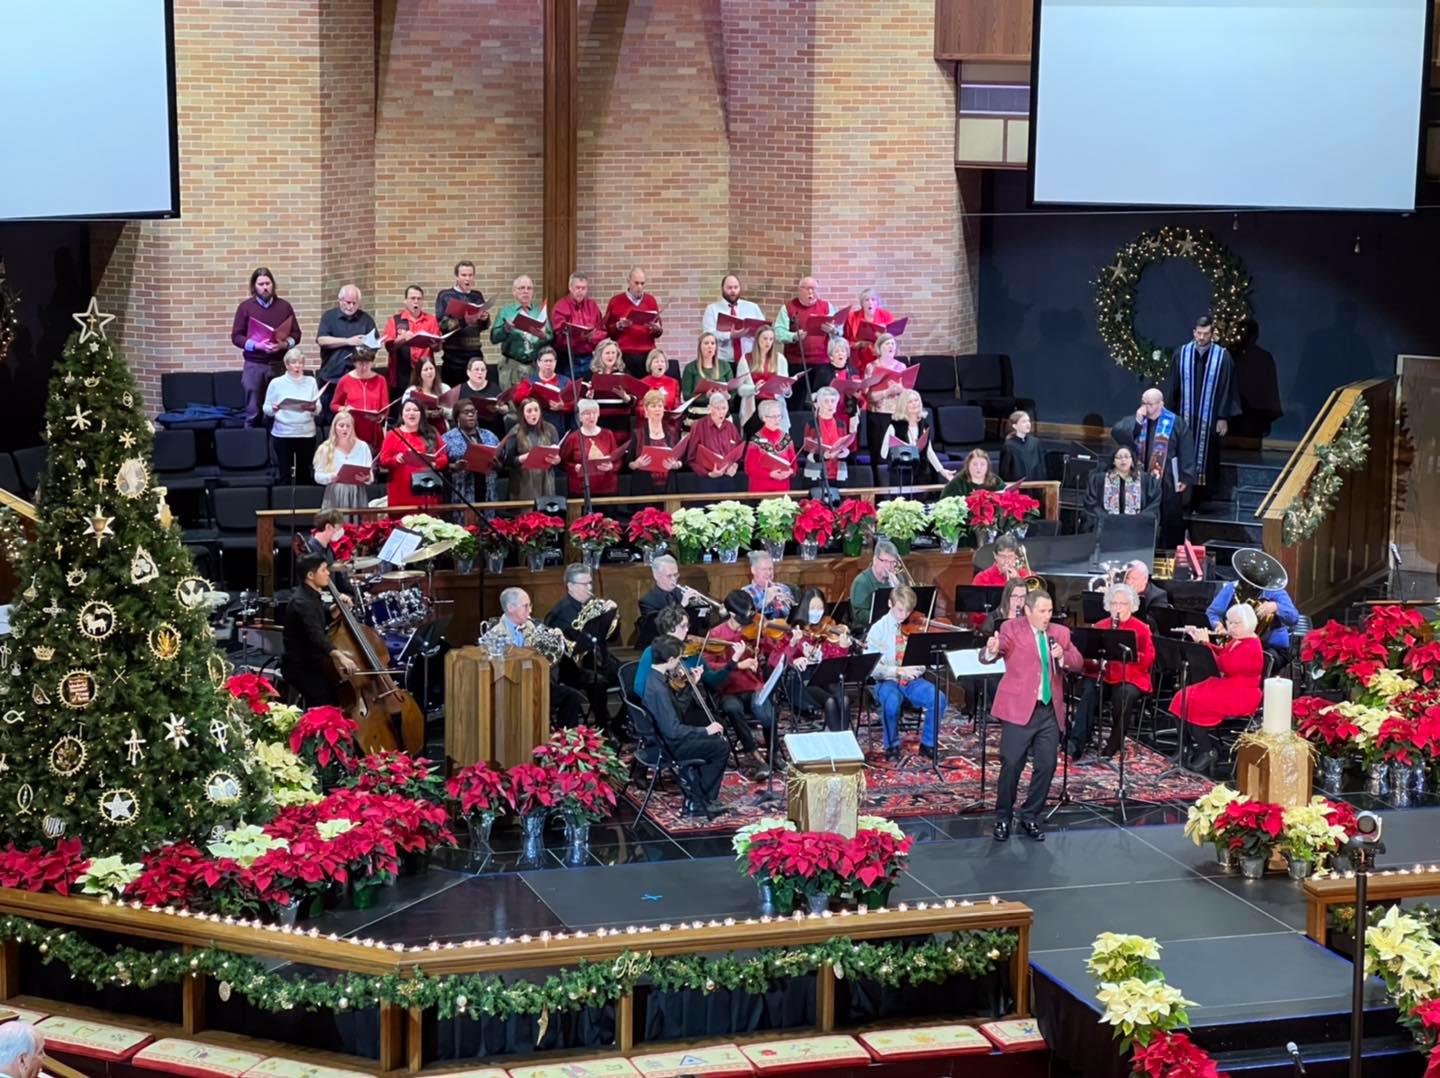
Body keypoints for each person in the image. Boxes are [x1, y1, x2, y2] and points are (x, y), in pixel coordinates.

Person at [981, 590, 1083, 841]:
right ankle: (1003, 817)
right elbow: (995, 651)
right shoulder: (1011, 628)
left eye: (1049, 611)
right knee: (1012, 764)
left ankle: (1030, 816)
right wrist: (991, 650)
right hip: (1019, 710)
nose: (1047, 616)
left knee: (1047, 765)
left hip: (1048, 710)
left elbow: (1078, 661)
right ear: (1028, 611)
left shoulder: (1060, 633)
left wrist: (1063, 656)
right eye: (1041, 611)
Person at [643, 635, 731, 819]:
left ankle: (701, 797)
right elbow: (673, 730)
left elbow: (676, 711)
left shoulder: (655, 678)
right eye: (678, 658)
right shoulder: (658, 689)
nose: (679, 662)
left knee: (712, 738)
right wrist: (705, 731)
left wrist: (692, 686)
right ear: (670, 660)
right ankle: (699, 800)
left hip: (665, 739)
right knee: (720, 746)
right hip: (669, 746)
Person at [1172, 604, 1265, 774]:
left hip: (1241, 693)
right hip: (1228, 686)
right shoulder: (1239, 640)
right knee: (1182, 696)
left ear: (1249, 623)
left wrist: (1205, 643)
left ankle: (1207, 749)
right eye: (1229, 622)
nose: (1232, 627)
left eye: (1237, 623)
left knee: (1194, 702)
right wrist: (1200, 642)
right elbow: (1223, 654)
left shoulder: (1251, 646)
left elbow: (1223, 665)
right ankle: (1184, 747)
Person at [1066, 583, 1154, 760]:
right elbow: (1086, 659)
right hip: (1103, 674)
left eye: (1122, 604)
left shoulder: (1141, 628)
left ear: (1132, 606)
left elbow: (1149, 658)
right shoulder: (1100, 625)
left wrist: (1130, 655)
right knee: (1089, 691)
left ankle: (1113, 745)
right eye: (1114, 603)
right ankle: (1077, 742)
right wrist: (1094, 659)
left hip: (1130, 677)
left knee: (1124, 694)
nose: (1118, 608)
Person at [481, 588, 586, 727]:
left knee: (571, 697)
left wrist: (556, 641)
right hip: (513, 689)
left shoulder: (531, 626)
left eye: (530, 606)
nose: (530, 610)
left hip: (537, 683)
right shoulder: (496, 634)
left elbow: (548, 660)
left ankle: (565, 741)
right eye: (525, 606)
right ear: (511, 608)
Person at [704, 591, 780, 777]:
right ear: (731, 614)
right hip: (728, 689)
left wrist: (767, 643)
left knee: (766, 707)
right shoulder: (716, 634)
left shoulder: (756, 628)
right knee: (732, 709)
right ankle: (755, 756)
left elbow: (772, 651)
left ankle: (773, 753)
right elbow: (709, 666)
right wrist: (737, 664)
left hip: (752, 684)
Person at [1111, 387, 1196, 548]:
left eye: (1150, 404)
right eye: (1144, 403)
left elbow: (1186, 447)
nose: (1146, 407)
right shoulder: (1138, 419)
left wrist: (1185, 475)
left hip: (1167, 478)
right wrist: (1137, 420)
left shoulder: (1175, 422)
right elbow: (1117, 432)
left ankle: (1166, 551)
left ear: (1161, 404)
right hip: (1141, 479)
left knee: (1169, 517)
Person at [864, 585, 943, 759]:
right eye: (899, 610)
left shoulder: (916, 627)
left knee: (938, 698)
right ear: (889, 604)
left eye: (907, 611)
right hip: (887, 680)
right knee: (891, 702)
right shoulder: (878, 629)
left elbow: (924, 661)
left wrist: (920, 667)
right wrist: (898, 670)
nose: (903, 616)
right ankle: (891, 746)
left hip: (912, 681)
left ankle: (928, 744)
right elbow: (872, 668)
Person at [545, 563, 622, 730]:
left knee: (631, 674)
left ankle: (619, 724)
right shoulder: (560, 613)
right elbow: (568, 649)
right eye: (584, 584)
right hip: (573, 668)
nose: (589, 587)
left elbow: (613, 638)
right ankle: (604, 728)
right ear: (571, 586)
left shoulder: (595, 605)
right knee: (598, 682)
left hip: (602, 659)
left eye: (590, 583)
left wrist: (614, 617)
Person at [1165, 315, 1238, 490]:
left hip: (1210, 418)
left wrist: (1222, 417)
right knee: (1183, 449)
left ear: (1212, 333)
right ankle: (1184, 495)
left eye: (1206, 333)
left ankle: (1202, 497)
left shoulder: (1222, 357)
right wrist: (1169, 414)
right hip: (1184, 415)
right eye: (1199, 333)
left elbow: (1227, 388)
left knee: (1207, 455)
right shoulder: (1181, 354)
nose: (1202, 337)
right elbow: (1172, 385)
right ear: (1194, 332)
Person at [772, 586, 854, 731]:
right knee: (829, 701)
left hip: (824, 676)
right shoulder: (793, 631)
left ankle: (843, 740)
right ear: (804, 608)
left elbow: (833, 662)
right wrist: (793, 650)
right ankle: (837, 740)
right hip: (801, 680)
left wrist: (842, 647)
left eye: (820, 608)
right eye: (813, 608)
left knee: (844, 699)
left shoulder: (825, 630)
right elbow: (775, 661)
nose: (817, 612)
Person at [283, 554, 359, 707]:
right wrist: (340, 656)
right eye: (323, 570)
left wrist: (336, 608)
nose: (328, 573)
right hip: (302, 666)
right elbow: (316, 636)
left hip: (316, 662)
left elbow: (320, 617)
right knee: (327, 701)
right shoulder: (301, 602)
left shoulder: (312, 595)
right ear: (311, 575)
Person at [231, 266, 300, 427]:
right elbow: (236, 337)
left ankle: (275, 448)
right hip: (254, 364)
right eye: (261, 284)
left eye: (268, 283)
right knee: (253, 409)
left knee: (277, 409)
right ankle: (252, 446)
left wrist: (284, 344)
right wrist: (257, 346)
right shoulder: (246, 307)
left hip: (278, 365)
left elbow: (297, 334)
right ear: (254, 287)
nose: (265, 287)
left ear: (273, 285)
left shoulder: (284, 306)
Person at [263, 347, 321, 485]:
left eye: (300, 363)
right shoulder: (276, 383)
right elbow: (266, 408)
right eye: (294, 363)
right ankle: (284, 503)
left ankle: (304, 504)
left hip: (306, 433)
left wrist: (313, 408)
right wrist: (274, 408)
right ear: (287, 365)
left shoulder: (311, 381)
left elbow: (318, 407)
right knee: (285, 474)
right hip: (283, 434)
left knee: (304, 474)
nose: (298, 366)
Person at [379, 399, 449, 510]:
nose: (411, 413)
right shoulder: (393, 434)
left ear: (421, 414)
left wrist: (435, 463)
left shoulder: (431, 432)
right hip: (401, 489)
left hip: (427, 487)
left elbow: (444, 457)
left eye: (416, 410)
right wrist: (396, 459)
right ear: (402, 414)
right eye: (407, 410)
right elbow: (383, 461)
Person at [1206, 577, 1300, 657]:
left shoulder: (1275, 591)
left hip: (1270, 647)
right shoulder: (1231, 588)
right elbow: (1213, 612)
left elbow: (1294, 618)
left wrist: (1276, 606)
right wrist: (1218, 625)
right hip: (1235, 643)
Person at [490, 274, 553, 389]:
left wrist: (543, 336)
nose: (526, 291)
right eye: (522, 288)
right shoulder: (506, 311)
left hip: (534, 365)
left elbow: (551, 337)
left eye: (529, 288)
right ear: (514, 291)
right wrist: (506, 329)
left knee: (533, 402)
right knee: (511, 403)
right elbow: (494, 338)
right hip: (511, 365)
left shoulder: (539, 312)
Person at [636, 554, 713, 646]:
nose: (674, 580)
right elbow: (659, 629)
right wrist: (682, 605)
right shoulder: (648, 601)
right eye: (669, 576)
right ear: (656, 576)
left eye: (676, 575)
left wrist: (703, 611)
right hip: (665, 647)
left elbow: (701, 625)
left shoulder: (682, 593)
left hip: (690, 644)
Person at [435, 259, 490, 385]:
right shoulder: (445, 296)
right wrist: (463, 321)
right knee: (454, 397)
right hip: (453, 357)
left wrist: (484, 319)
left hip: (475, 354)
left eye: (470, 275)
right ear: (456, 276)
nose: (467, 279)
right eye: (464, 275)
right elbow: (442, 325)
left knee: (476, 393)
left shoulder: (477, 296)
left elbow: (482, 327)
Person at [882, 389, 954, 485]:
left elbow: (929, 451)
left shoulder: (924, 425)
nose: (914, 404)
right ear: (903, 406)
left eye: (916, 400)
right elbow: (883, 453)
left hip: (921, 473)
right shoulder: (894, 426)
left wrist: (942, 471)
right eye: (910, 402)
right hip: (901, 474)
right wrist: (900, 449)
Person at [1083, 445, 1161, 532]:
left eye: (1126, 457)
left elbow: (1153, 505)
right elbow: (1091, 504)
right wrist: (1106, 519)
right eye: (1119, 457)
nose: (1123, 460)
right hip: (1107, 529)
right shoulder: (1099, 480)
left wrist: (1138, 519)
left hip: (1136, 530)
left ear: (1132, 460)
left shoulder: (1146, 480)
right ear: (1113, 461)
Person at [774, 275, 840, 374]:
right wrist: (793, 336)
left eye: (814, 289)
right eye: (807, 288)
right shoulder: (788, 307)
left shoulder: (827, 307)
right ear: (799, 290)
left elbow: (840, 331)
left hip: (822, 362)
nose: (811, 292)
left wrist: (833, 330)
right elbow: (778, 332)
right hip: (796, 361)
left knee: (822, 389)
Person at [605, 267, 665, 376]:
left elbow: (658, 331)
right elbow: (607, 330)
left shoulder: (651, 301)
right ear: (628, 282)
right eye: (636, 283)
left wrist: (657, 329)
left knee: (646, 389)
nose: (639, 287)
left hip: (647, 354)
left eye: (642, 283)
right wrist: (618, 326)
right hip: (624, 354)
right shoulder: (616, 301)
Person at [329, 347, 390, 453]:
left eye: (367, 363)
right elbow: (333, 405)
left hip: (372, 430)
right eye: (360, 363)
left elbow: (385, 407)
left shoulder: (381, 380)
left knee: (371, 465)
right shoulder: (345, 380)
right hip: (352, 430)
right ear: (354, 363)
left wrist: (381, 415)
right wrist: (344, 408)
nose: (364, 367)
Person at [382, 285, 441, 392]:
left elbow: (437, 348)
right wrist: (402, 339)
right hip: (400, 375)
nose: (416, 301)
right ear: (405, 301)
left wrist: (436, 345)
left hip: (424, 373)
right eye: (412, 298)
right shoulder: (395, 320)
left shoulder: (431, 320)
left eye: (419, 299)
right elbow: (389, 347)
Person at [499, 397, 559, 502]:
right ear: (522, 413)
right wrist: (523, 458)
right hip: (523, 482)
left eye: (536, 410)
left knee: (545, 515)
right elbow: (507, 462)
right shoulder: (515, 431)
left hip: (545, 481)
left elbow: (557, 456)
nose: (533, 414)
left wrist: (556, 460)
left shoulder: (550, 429)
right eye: (529, 411)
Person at [442, 398, 501, 504]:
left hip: (488, 491)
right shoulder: (447, 439)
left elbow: (502, 463)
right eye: (466, 412)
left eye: (473, 412)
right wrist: (455, 467)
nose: (470, 415)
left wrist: (496, 465)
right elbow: (441, 466)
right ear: (457, 417)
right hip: (462, 493)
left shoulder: (489, 436)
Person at [315, 283, 376, 386]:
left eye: (354, 303)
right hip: (332, 375)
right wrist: (347, 341)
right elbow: (322, 340)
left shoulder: (366, 319)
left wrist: (371, 345)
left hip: (358, 376)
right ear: (340, 301)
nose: (351, 306)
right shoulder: (329, 317)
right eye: (348, 302)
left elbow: (374, 345)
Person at [313, 409, 374, 509]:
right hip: (335, 493)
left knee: (357, 523)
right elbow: (317, 476)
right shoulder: (325, 448)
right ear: (335, 427)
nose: (345, 429)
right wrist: (330, 477)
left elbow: (369, 473)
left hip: (357, 493)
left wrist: (366, 478)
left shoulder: (362, 446)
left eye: (348, 426)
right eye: (341, 426)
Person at [551, 271, 609, 379]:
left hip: (589, 357)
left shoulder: (592, 305)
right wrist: (579, 338)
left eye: (583, 288)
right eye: (577, 288)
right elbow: (558, 335)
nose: (580, 291)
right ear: (570, 287)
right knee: (569, 391)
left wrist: (591, 337)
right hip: (568, 358)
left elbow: (602, 330)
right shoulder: (560, 306)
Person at [559, 398, 620, 497]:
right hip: (581, 490)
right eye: (587, 413)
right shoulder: (573, 437)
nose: (592, 416)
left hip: (607, 489)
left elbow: (618, 459)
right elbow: (562, 462)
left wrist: (611, 466)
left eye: (595, 413)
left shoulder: (608, 434)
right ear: (580, 417)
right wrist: (574, 467)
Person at [684, 391, 743, 489]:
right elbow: (691, 458)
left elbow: (739, 452)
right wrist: (708, 474)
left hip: (728, 478)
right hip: (707, 480)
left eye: (724, 408)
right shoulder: (699, 426)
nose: (721, 412)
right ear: (710, 409)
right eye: (717, 408)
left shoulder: (731, 427)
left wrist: (735, 465)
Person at [630, 389, 684, 496]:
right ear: (646, 410)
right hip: (644, 488)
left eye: (660, 406)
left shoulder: (672, 432)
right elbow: (628, 464)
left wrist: (676, 465)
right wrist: (637, 464)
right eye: (653, 406)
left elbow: (682, 460)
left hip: (669, 487)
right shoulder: (638, 434)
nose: (657, 410)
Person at [703, 274, 766, 366]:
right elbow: (707, 335)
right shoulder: (712, 309)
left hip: (749, 359)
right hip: (723, 361)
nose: (733, 291)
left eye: (736, 287)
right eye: (729, 288)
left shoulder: (752, 307)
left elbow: (764, 330)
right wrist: (729, 335)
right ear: (722, 289)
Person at [737, 324, 788, 432]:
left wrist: (787, 391)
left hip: (775, 404)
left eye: (771, 339)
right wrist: (753, 389)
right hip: (754, 404)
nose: (768, 342)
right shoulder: (746, 359)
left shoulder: (780, 359)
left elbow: (786, 386)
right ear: (757, 340)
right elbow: (740, 389)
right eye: (765, 338)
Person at [863, 334, 909, 455]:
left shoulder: (901, 366)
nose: (891, 346)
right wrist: (887, 392)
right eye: (887, 343)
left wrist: (901, 389)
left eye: (893, 344)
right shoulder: (871, 367)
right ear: (879, 347)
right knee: (878, 452)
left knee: (898, 451)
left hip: (897, 415)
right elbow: (868, 395)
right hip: (878, 415)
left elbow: (907, 393)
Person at [514, 347, 575, 434]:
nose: (548, 364)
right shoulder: (529, 381)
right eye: (545, 361)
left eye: (551, 361)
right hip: (534, 426)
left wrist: (563, 406)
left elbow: (575, 402)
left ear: (555, 362)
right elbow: (517, 399)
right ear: (538, 363)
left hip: (558, 423)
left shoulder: (565, 381)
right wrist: (532, 390)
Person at [680, 331, 734, 429]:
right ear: (700, 347)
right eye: (706, 343)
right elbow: (686, 395)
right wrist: (706, 396)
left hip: (721, 412)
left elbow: (733, 390)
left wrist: (727, 396)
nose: (710, 346)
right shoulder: (690, 368)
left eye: (713, 343)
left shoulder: (725, 366)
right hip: (699, 412)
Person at [744, 399, 797, 493]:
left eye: (779, 416)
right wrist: (770, 474)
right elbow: (749, 468)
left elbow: (794, 465)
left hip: (783, 489)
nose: (777, 419)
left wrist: (790, 472)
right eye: (773, 416)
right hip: (760, 490)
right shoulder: (755, 439)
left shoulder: (786, 438)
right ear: (764, 418)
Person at [849, 539, 902, 633]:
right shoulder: (862, 582)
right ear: (875, 559)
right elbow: (859, 615)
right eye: (884, 561)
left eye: (892, 562)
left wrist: (899, 589)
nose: (889, 566)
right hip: (867, 630)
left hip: (894, 627)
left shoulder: (898, 579)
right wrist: (887, 616)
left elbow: (906, 605)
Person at [803, 386, 850, 485]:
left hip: (837, 471)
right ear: (819, 403)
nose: (830, 404)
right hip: (816, 472)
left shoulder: (841, 424)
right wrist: (823, 455)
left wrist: (840, 452)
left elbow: (844, 446)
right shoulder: (812, 424)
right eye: (826, 401)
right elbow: (806, 451)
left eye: (833, 401)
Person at [586, 338, 635, 433]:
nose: (611, 356)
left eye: (613, 353)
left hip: (621, 424)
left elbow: (634, 401)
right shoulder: (591, 375)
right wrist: (589, 398)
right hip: (599, 424)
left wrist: (625, 397)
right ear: (600, 356)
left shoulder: (625, 374)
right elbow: (584, 404)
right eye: (607, 353)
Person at [842, 286, 894, 375]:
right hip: (859, 360)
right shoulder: (852, 317)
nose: (870, 303)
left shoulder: (886, 316)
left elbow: (892, 339)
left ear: (877, 302)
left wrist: (883, 336)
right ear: (862, 303)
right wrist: (857, 344)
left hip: (881, 360)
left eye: (873, 300)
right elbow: (844, 340)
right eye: (866, 300)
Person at [455, 355, 508, 440]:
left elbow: (506, 409)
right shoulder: (460, 390)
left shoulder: (494, 387)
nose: (480, 372)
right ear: (468, 372)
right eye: (476, 369)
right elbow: (455, 412)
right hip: (469, 432)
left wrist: (498, 409)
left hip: (494, 430)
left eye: (483, 370)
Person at [402, 356, 451, 435]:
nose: (429, 372)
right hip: (419, 430)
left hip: (442, 429)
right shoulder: (411, 391)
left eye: (431, 369)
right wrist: (425, 413)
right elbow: (404, 413)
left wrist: (442, 411)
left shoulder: (444, 388)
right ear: (419, 373)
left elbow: (453, 413)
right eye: (425, 370)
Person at [743, 550, 796, 619]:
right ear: (753, 570)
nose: (768, 573)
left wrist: (785, 604)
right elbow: (745, 618)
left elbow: (792, 616)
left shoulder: (783, 588)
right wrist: (765, 601)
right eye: (764, 569)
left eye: (770, 569)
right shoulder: (745, 593)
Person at [999, 410, 1046, 483]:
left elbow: (1041, 466)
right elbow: (1004, 472)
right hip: (1018, 489)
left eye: (1028, 421)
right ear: (1015, 426)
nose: (1028, 424)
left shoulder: (1035, 442)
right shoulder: (1009, 446)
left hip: (1036, 486)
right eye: (1023, 422)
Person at [637, 347, 680, 415]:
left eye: (662, 361)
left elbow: (676, 406)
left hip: (669, 420)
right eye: (656, 361)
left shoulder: (674, 382)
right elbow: (639, 407)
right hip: (649, 420)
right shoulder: (641, 383)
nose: (660, 364)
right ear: (650, 365)